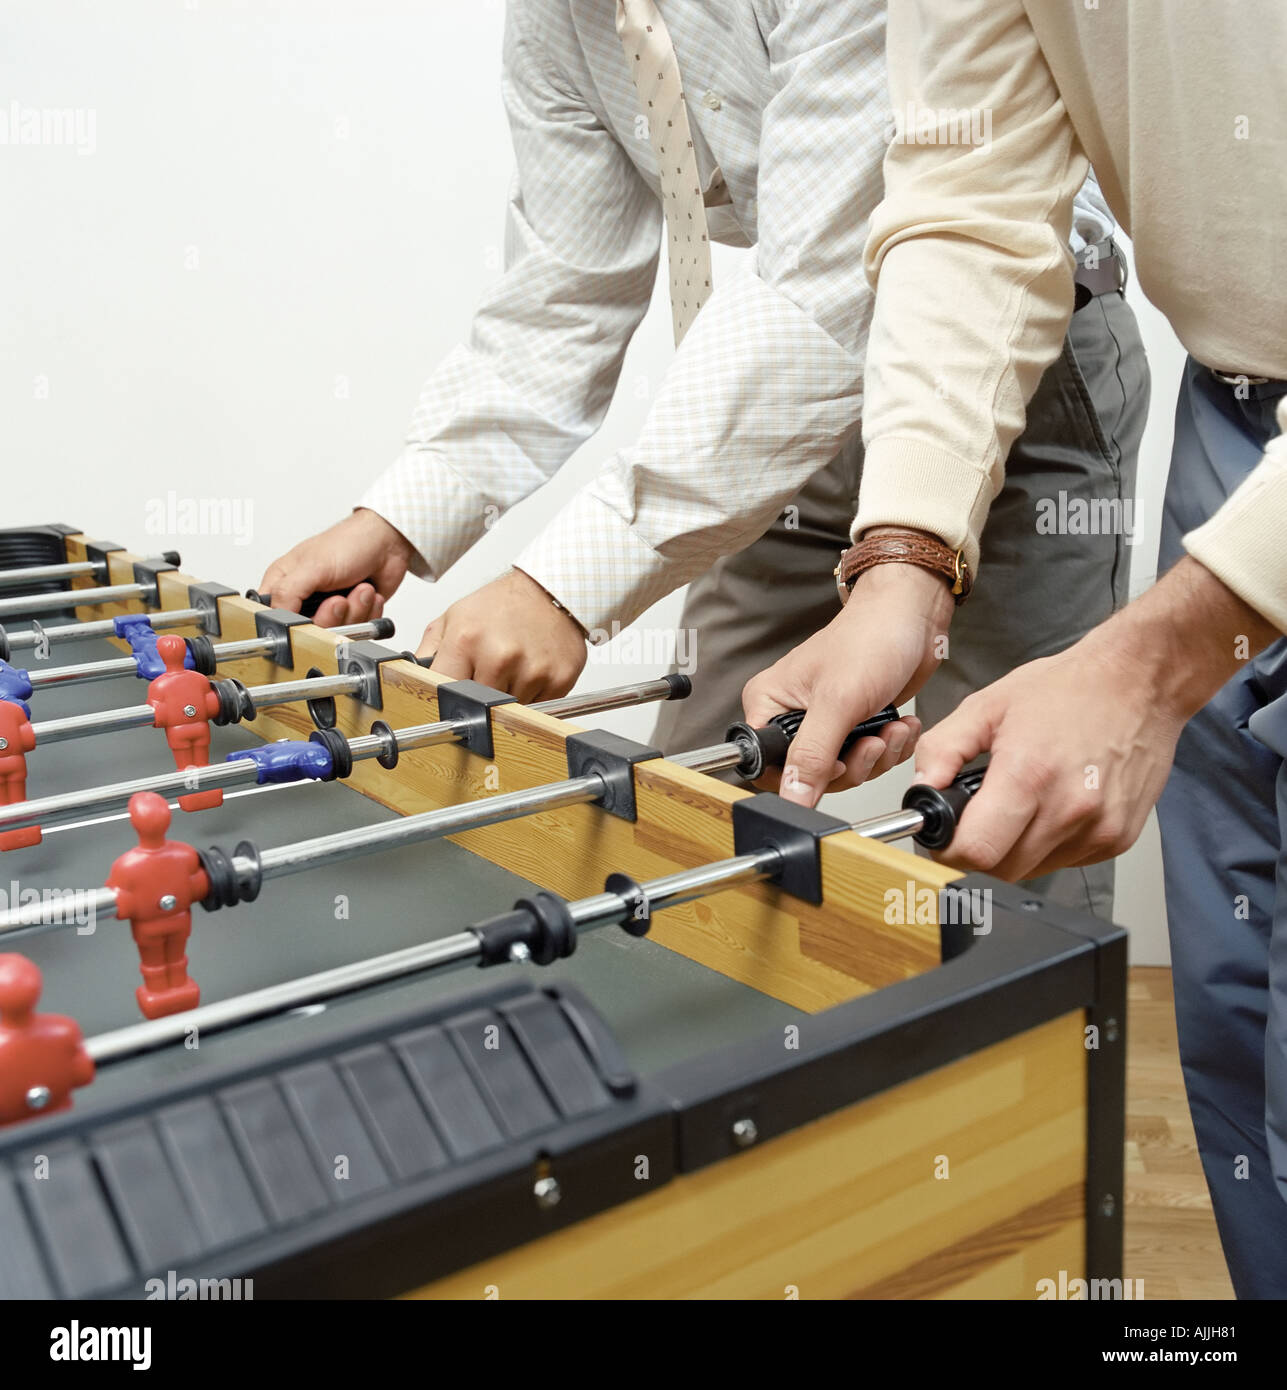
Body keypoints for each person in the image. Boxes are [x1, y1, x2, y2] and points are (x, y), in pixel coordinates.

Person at [261, 0, 1146, 918]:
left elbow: (825, 285)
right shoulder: (554, 21)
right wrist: (400, 515)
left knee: (1007, 820)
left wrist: (560, 590)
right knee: (692, 799)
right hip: (783, 420)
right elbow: (567, 287)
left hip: (1009, 369)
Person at [742, 0, 1286, 1297]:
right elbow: (970, 187)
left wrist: (1152, 658)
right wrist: (902, 564)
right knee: (1230, 1014)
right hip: (1233, 411)